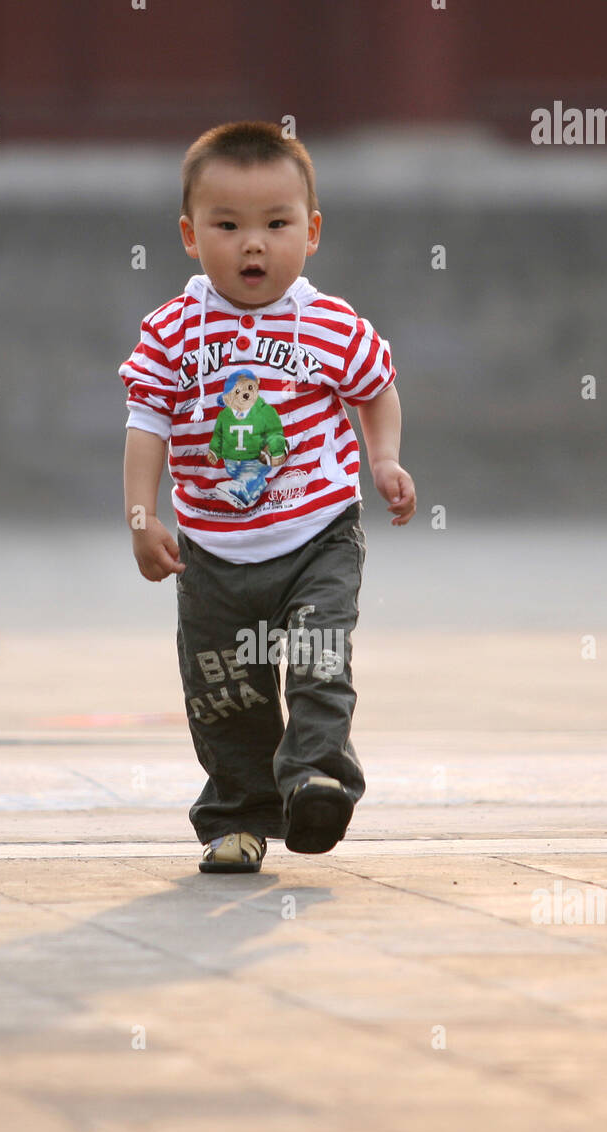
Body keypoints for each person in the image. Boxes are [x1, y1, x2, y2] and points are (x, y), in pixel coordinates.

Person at [118, 121, 415, 873]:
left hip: (317, 533)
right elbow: (146, 421)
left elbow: (376, 392)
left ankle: (317, 780)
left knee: (319, 660)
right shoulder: (172, 330)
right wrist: (143, 514)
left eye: (276, 225)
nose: (253, 245)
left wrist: (383, 462)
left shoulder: (328, 323)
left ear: (310, 232)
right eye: (228, 225)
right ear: (190, 235)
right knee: (224, 689)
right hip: (212, 551)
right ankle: (237, 818)